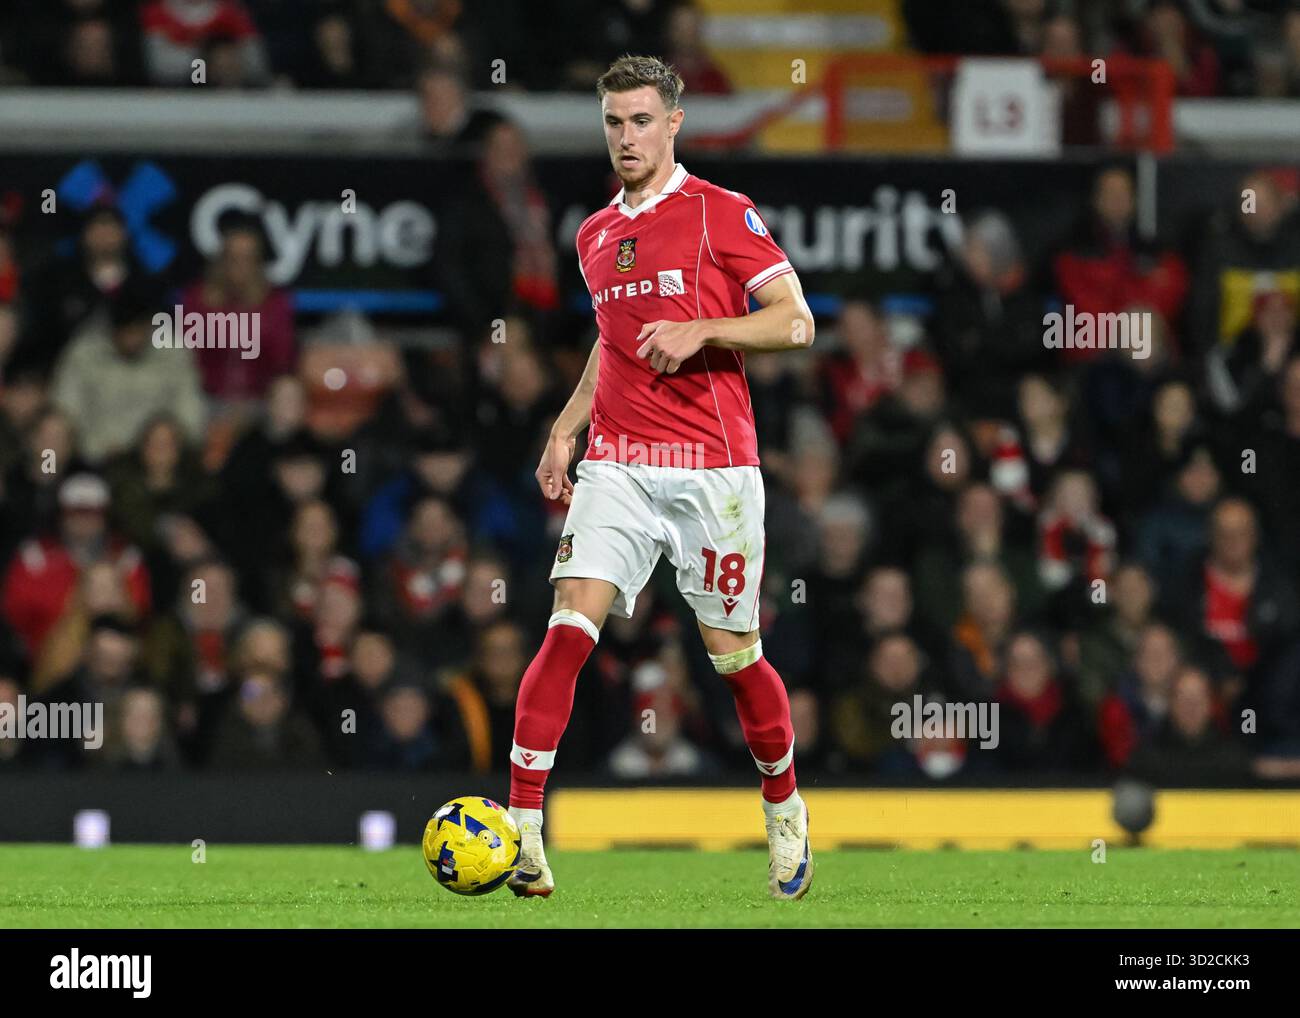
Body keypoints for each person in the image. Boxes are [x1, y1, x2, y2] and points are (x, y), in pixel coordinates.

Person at [507, 55, 816, 900]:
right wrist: (565, 430)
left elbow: (796, 322)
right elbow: (611, 346)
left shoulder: (720, 213)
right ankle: (524, 832)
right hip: (620, 466)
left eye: (642, 120)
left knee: (734, 656)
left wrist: (702, 331)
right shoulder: (593, 234)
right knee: (569, 626)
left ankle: (784, 810)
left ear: (675, 122)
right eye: (614, 122)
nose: (626, 137)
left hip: (714, 471)